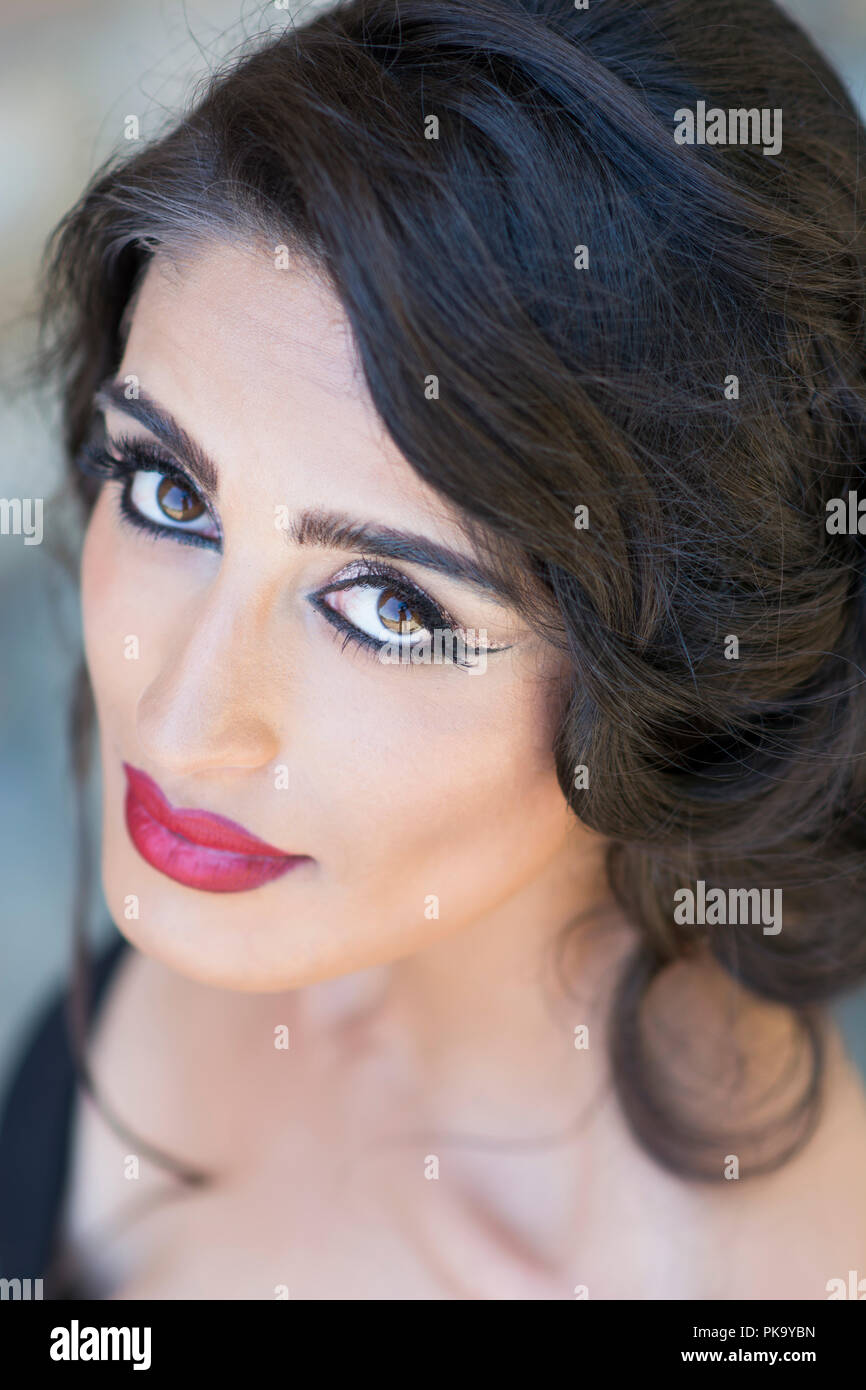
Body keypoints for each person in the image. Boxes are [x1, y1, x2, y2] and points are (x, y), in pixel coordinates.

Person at [2, 0, 866, 1299]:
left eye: (390, 605)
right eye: (169, 491)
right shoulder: (265, 905)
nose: (177, 726)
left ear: (683, 682)